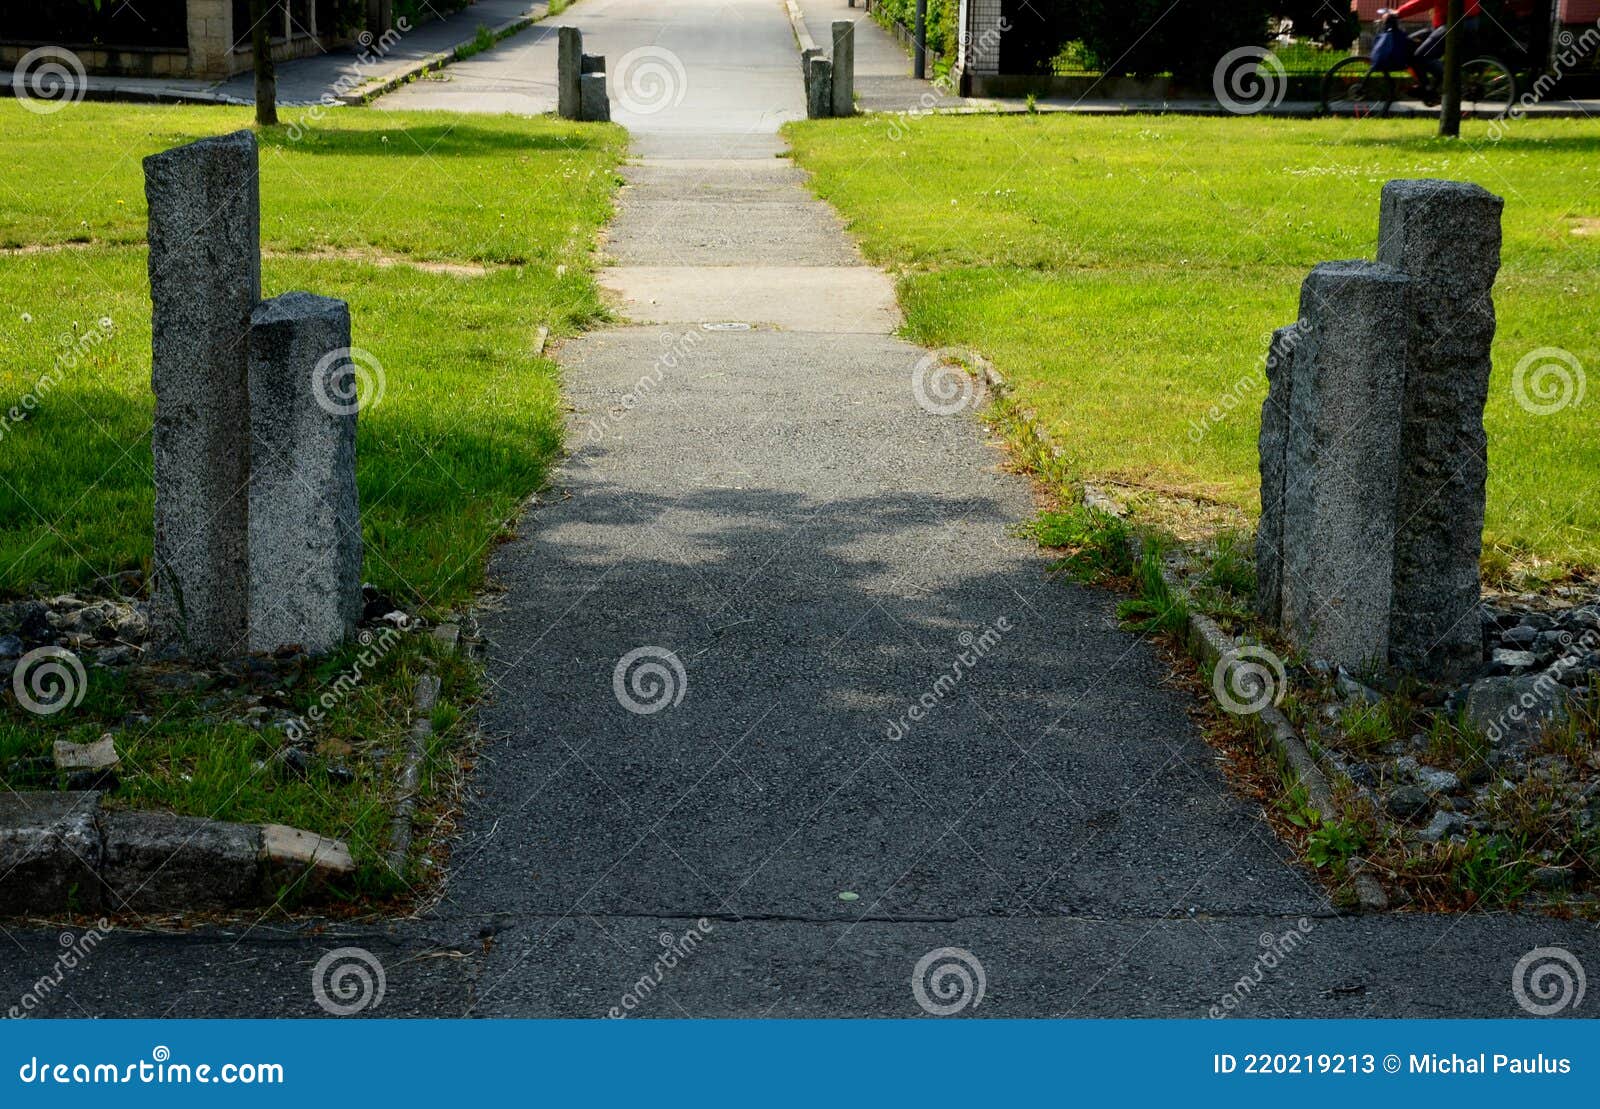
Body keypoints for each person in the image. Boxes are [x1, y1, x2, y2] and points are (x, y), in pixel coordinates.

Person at [1391, 0, 1482, 89]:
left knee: (1421, 54)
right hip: (1450, 22)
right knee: (1409, 42)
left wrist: (1398, 13)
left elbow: (1424, 2)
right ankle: (1426, 85)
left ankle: (1447, 84)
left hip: (1457, 23)